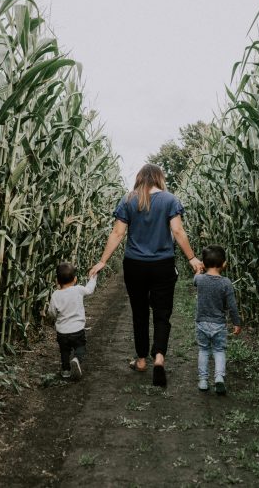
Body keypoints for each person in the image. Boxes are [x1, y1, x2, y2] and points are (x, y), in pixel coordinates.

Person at [89, 164, 203, 387]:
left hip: (135, 266)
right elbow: (178, 231)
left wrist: (102, 261)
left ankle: (141, 360)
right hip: (162, 265)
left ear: (140, 178)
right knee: (162, 313)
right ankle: (159, 357)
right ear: (159, 178)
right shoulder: (170, 200)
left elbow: (118, 233)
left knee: (139, 313)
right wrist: (191, 258)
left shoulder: (128, 200)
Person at [194, 245, 241, 395]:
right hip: (219, 324)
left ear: (203, 263)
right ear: (224, 264)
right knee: (219, 350)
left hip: (201, 322)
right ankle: (219, 378)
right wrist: (236, 322)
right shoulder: (226, 283)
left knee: (203, 350)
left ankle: (203, 380)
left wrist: (199, 270)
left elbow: (195, 279)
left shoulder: (200, 279)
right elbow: (232, 306)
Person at [47, 262, 97, 380]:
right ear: (75, 279)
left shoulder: (55, 295)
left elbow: (51, 312)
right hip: (77, 330)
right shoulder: (78, 290)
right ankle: (77, 359)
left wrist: (56, 318)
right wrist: (94, 277)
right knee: (80, 347)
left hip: (62, 332)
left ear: (57, 281)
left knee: (64, 352)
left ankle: (65, 371)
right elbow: (89, 290)